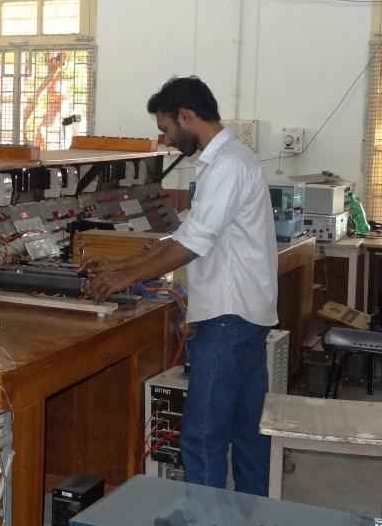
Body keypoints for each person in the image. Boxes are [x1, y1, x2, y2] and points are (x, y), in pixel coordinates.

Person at [83, 76, 277, 496]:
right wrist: (123, 264)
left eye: (166, 128)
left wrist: (126, 277)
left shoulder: (226, 166)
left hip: (228, 318)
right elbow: (182, 235)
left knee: (203, 438)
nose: (165, 139)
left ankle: (206, 517)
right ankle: (252, 516)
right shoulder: (229, 160)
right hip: (247, 314)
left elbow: (192, 244)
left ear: (186, 116)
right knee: (248, 433)